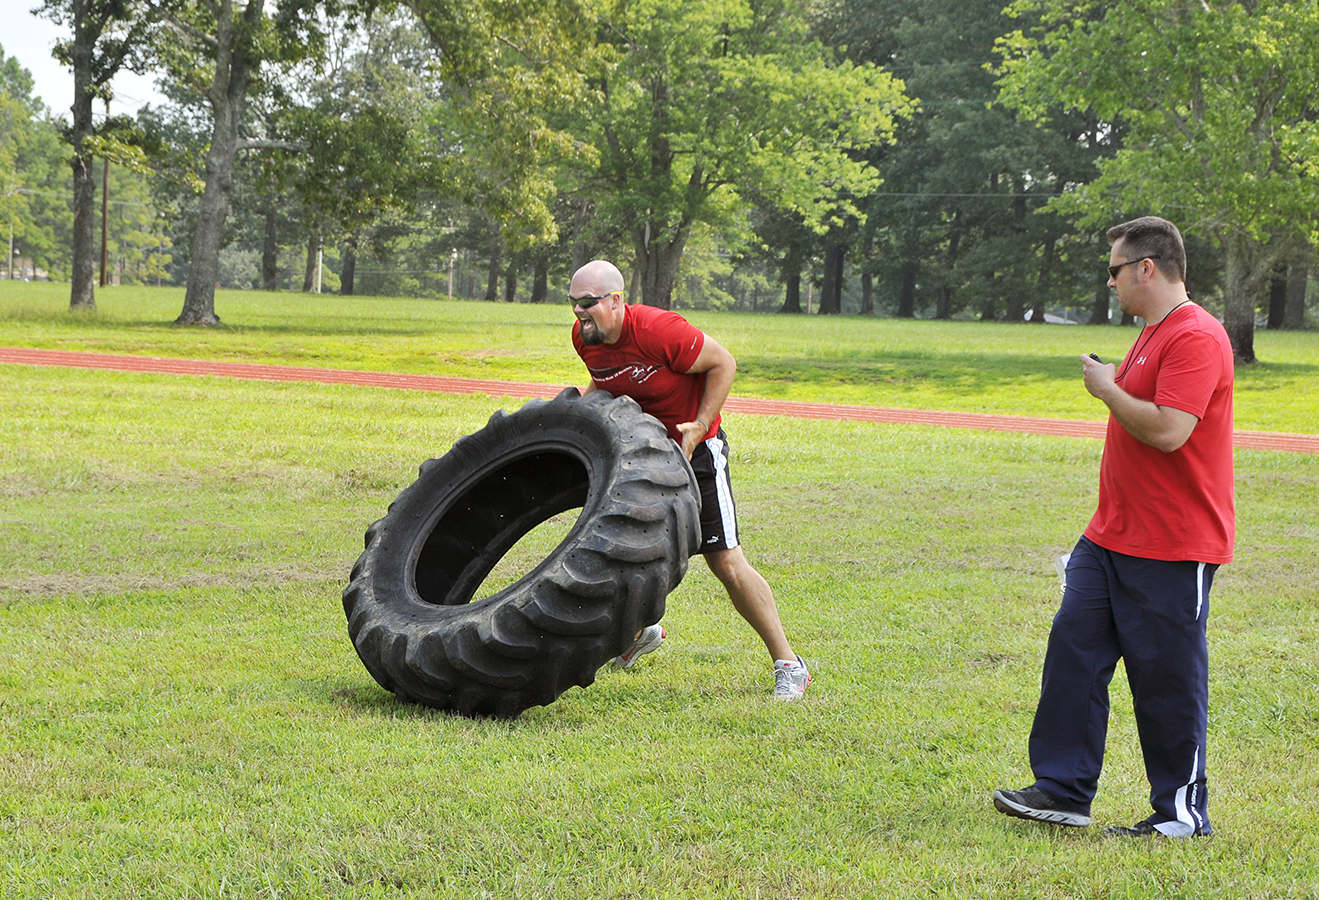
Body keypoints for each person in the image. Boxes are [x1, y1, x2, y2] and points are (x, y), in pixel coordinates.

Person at [993, 216, 1234, 838]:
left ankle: (1180, 814)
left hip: (1173, 545)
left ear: (1146, 268)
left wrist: (1106, 388)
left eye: (1115, 270)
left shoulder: (1196, 336)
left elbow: (1169, 430)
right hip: (1109, 537)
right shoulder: (1152, 333)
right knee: (1072, 655)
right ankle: (1063, 790)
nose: (1111, 282)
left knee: (1165, 679)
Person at [568, 259, 810, 700]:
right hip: (644, 455)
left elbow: (723, 363)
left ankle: (790, 664)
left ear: (617, 300)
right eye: (573, 305)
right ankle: (640, 635)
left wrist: (699, 425)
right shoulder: (587, 338)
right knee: (629, 553)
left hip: (697, 451)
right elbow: (604, 382)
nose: (580, 314)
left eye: (588, 303)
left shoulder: (659, 330)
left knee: (726, 563)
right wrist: (575, 405)